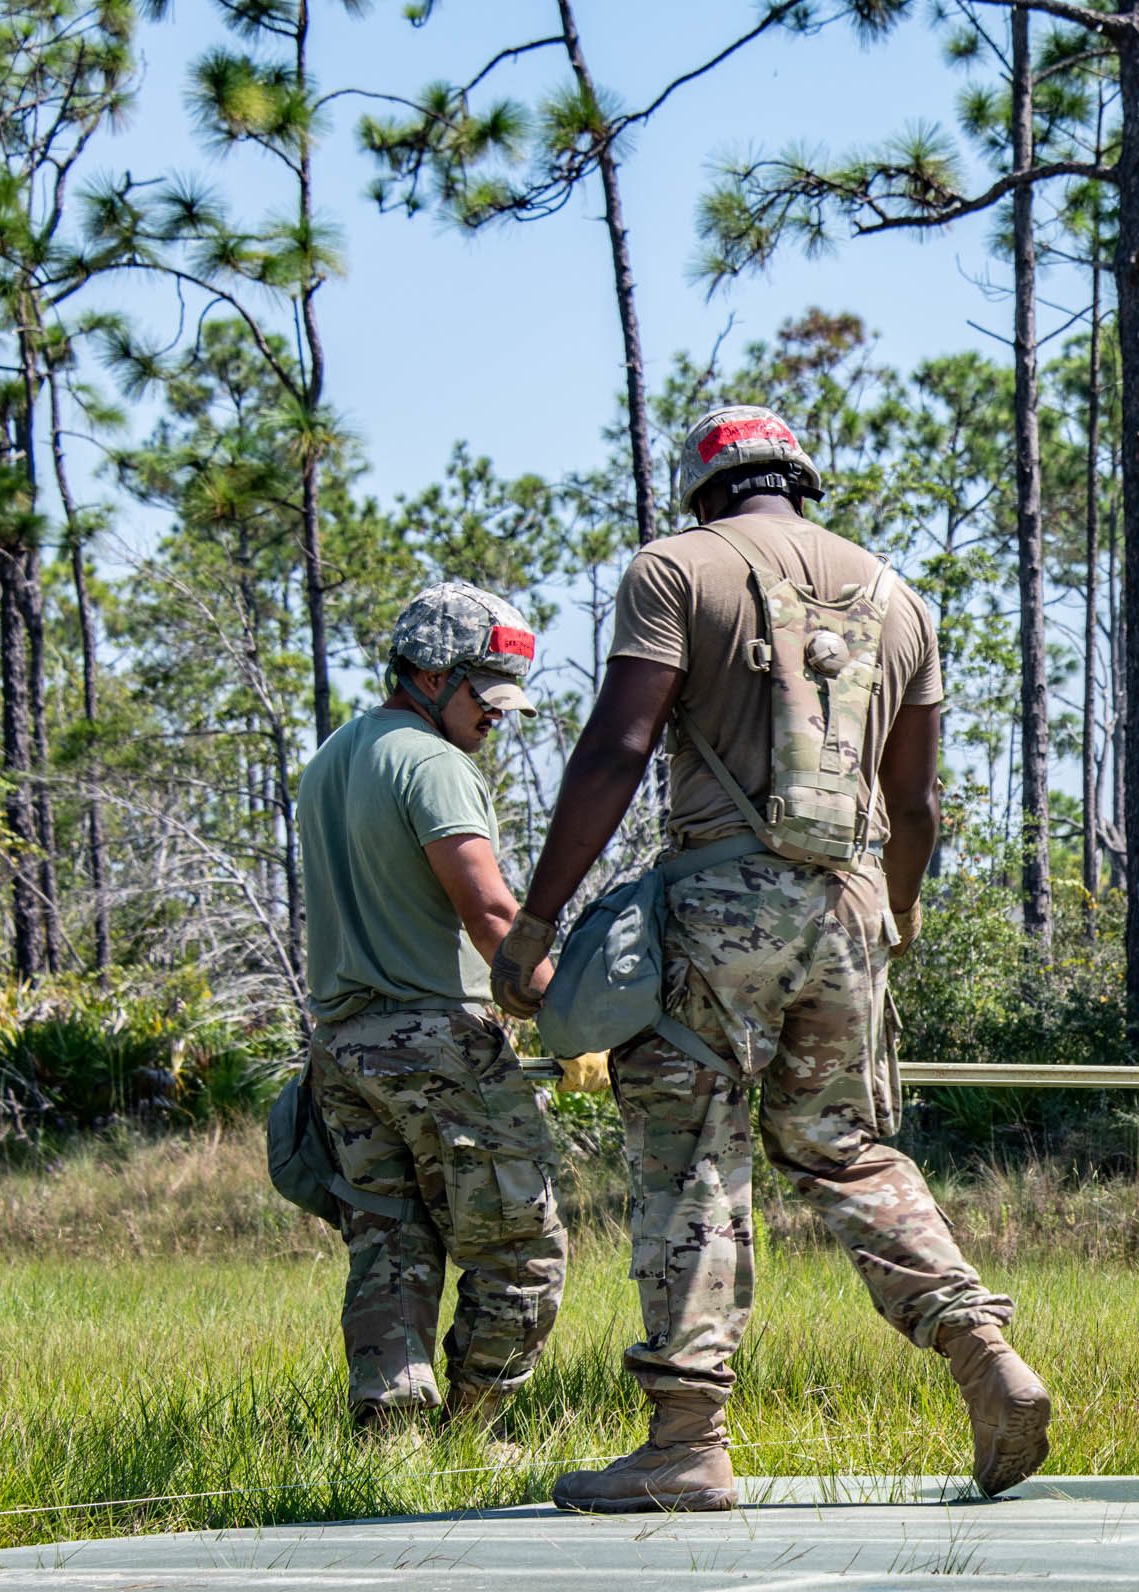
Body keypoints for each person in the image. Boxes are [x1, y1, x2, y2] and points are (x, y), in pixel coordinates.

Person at [492, 403, 1052, 1513]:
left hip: (720, 906)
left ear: (706, 491)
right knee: (844, 1148)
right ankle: (981, 1346)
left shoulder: (674, 568)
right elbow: (917, 799)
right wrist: (896, 910)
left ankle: (686, 1443)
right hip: (851, 909)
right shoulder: (900, 599)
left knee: (695, 1156)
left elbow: (618, 743)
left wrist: (538, 919)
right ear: (799, 481)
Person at [295, 581, 567, 1434]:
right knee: (521, 1249)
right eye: (484, 696)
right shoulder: (434, 764)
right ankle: (472, 1433)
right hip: (435, 1044)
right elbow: (491, 916)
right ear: (427, 672)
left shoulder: (332, 758)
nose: (497, 719)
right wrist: (573, 1018)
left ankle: (391, 1446)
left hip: (344, 1049)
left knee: (390, 1246)